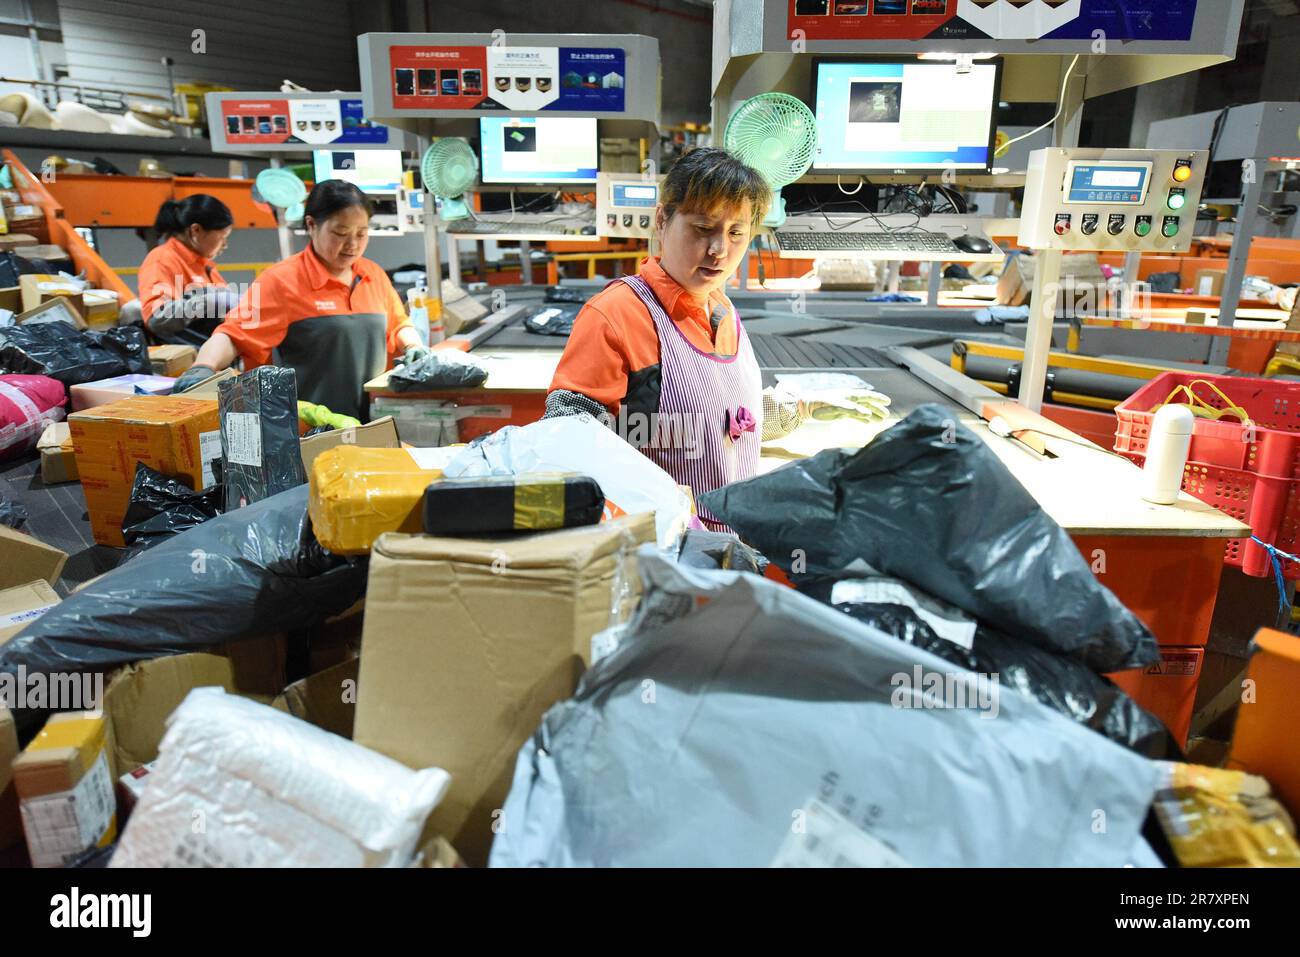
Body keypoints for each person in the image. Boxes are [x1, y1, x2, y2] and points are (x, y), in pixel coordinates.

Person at [545, 147, 793, 532]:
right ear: (662, 220)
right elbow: (567, 444)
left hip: (730, 540)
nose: (719, 250)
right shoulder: (616, 316)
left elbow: (715, 422)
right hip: (658, 551)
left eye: (736, 233)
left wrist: (796, 412)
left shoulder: (722, 310)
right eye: (703, 228)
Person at [174, 180, 428, 421]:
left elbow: (398, 324)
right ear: (311, 225)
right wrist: (203, 366)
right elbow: (233, 334)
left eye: (361, 234)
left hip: (373, 422)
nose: (352, 244)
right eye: (340, 232)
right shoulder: (282, 281)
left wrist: (413, 347)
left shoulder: (373, 274)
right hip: (311, 429)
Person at [120, 195, 240, 347]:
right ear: (196, 230)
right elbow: (157, 318)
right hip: (189, 361)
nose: (225, 244)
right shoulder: (162, 260)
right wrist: (208, 302)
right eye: (223, 236)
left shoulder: (203, 265)